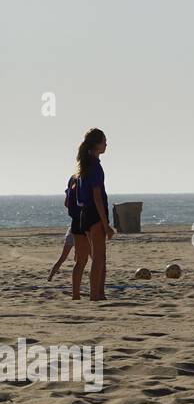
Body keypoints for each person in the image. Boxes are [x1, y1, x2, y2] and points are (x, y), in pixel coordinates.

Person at [70, 128, 113, 301]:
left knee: (99, 257)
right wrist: (106, 224)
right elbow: (96, 197)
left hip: (86, 214)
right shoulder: (94, 166)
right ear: (96, 144)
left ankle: (99, 294)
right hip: (94, 214)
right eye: (104, 141)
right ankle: (95, 295)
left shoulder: (86, 164)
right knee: (98, 258)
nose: (106, 144)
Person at [48, 176, 78, 282]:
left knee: (63, 257)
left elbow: (66, 205)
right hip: (78, 229)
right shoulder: (76, 192)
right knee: (88, 256)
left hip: (72, 229)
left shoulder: (70, 193)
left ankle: (50, 276)